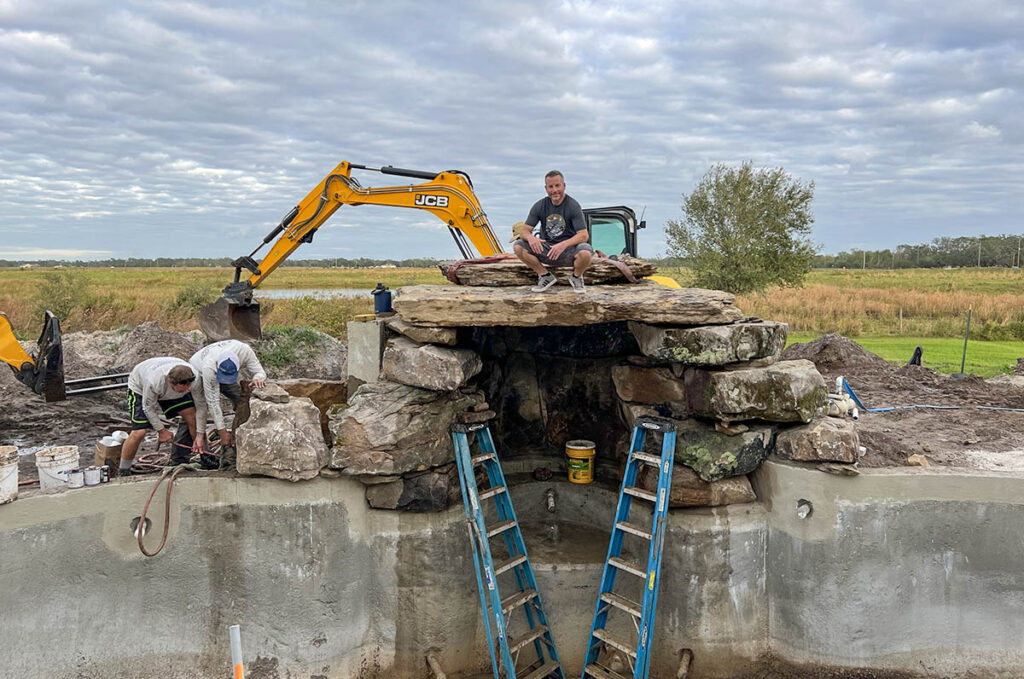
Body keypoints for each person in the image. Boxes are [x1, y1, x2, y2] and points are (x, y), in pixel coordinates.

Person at [184, 339, 268, 462]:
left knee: (242, 400)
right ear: (218, 364)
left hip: (219, 370)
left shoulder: (245, 351)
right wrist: (222, 432)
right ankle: (197, 455)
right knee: (194, 411)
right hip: (200, 372)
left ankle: (238, 443)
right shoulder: (209, 366)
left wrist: (258, 378)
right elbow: (213, 403)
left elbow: (259, 371)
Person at [512, 170, 594, 294]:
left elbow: (583, 235)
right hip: (547, 250)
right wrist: (531, 238)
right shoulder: (539, 206)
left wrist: (564, 244)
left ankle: (577, 277)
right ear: (546, 188)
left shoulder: (573, 206)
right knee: (518, 246)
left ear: (564, 186)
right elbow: (524, 231)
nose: (554, 190)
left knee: (586, 251)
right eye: (551, 187)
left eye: (557, 186)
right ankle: (545, 276)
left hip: (568, 252)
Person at [120, 357, 198, 476]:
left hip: (169, 385)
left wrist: (201, 436)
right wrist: (161, 431)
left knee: (192, 418)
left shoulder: (195, 378)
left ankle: (184, 458)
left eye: (187, 388)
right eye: (181, 390)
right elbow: (148, 408)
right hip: (140, 388)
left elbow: (201, 405)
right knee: (139, 432)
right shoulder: (153, 382)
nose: (185, 391)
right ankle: (124, 470)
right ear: (170, 382)